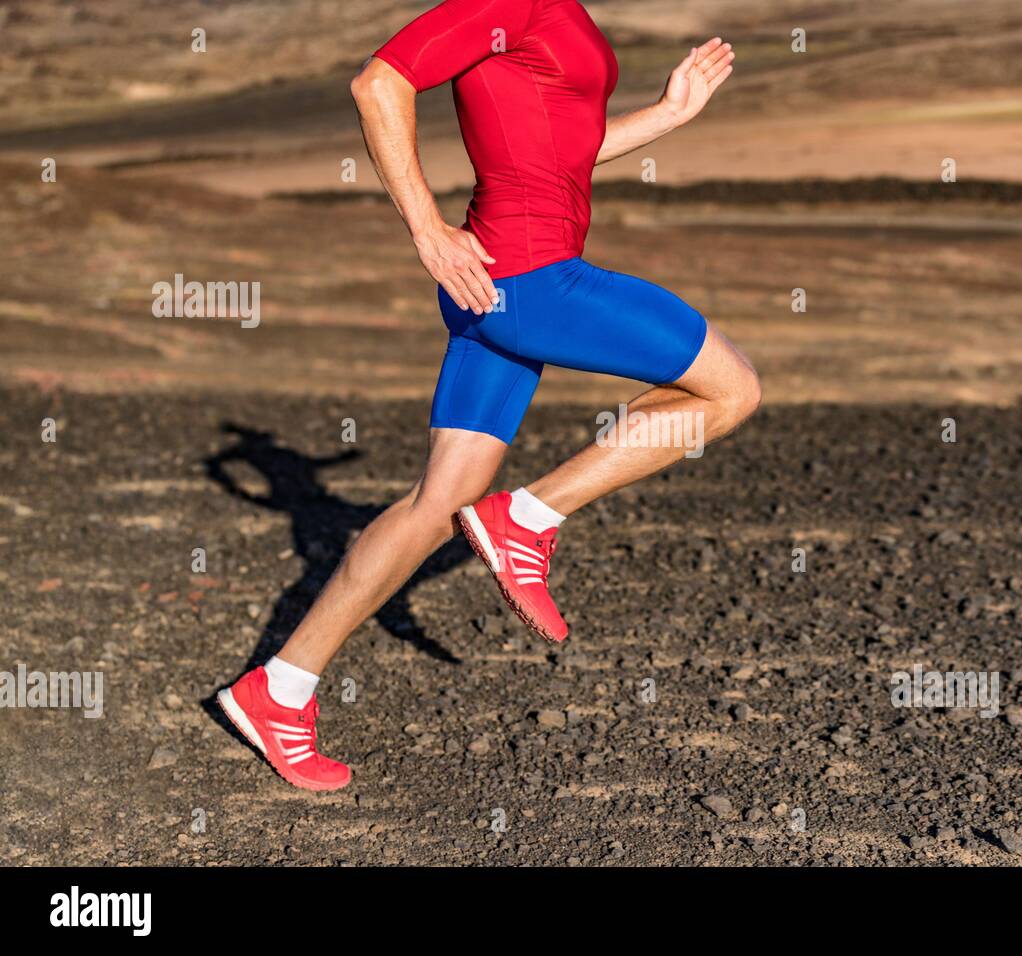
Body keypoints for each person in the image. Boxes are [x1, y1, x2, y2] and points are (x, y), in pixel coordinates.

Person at [218, 0, 759, 791]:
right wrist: (427, 230)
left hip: (499, 287)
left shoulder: (562, 17)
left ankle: (280, 688)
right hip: (528, 279)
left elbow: (563, 151)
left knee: (437, 505)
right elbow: (379, 83)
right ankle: (528, 518)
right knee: (731, 388)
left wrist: (669, 116)